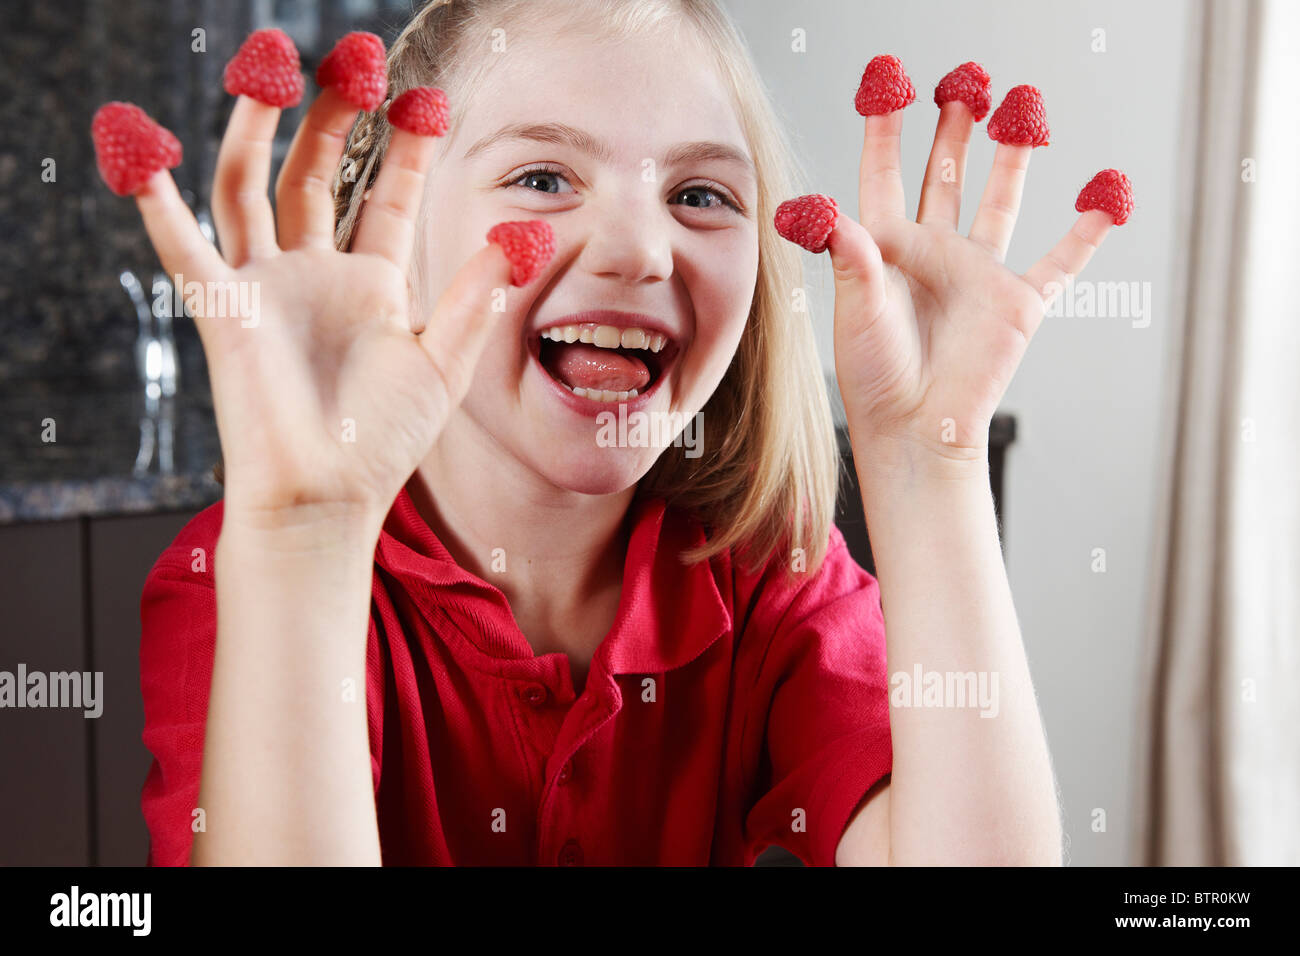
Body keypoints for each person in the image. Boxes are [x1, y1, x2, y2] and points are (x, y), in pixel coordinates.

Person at [132, 0, 1113, 866]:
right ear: (391, 231)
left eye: (700, 195)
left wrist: (927, 461)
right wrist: (303, 544)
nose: (642, 251)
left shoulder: (769, 578)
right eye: (544, 177)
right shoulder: (234, 580)